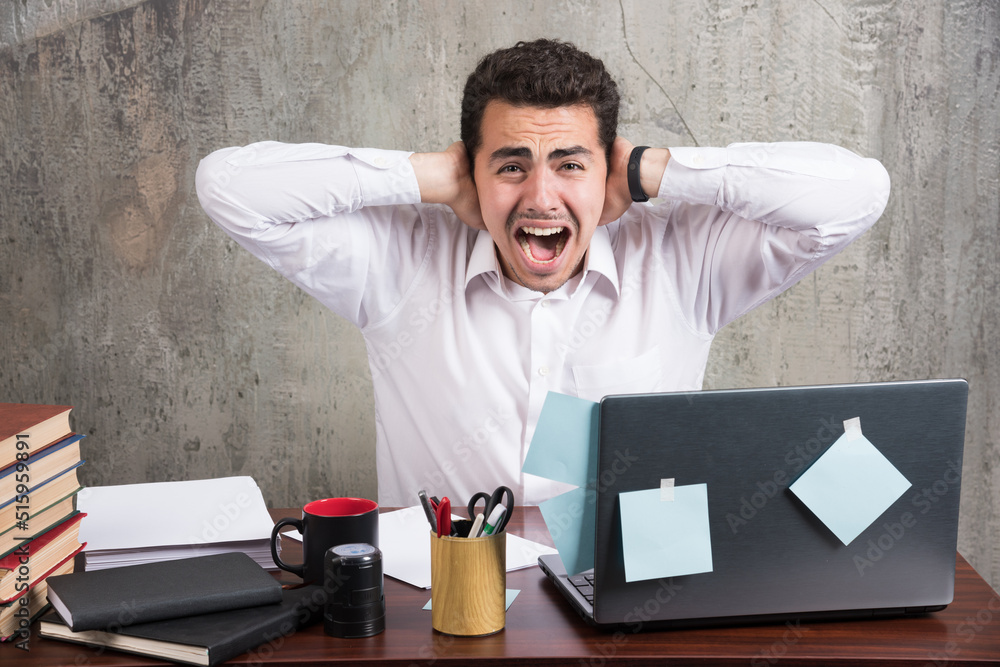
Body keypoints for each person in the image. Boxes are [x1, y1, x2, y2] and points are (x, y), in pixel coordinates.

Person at [196, 39, 890, 507]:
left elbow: (857, 194)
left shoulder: (682, 259)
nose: (539, 197)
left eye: (569, 163)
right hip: (442, 612)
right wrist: (425, 174)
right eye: (510, 165)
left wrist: (655, 170)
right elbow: (227, 188)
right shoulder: (398, 260)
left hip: (633, 606)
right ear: (474, 171)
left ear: (606, 170)